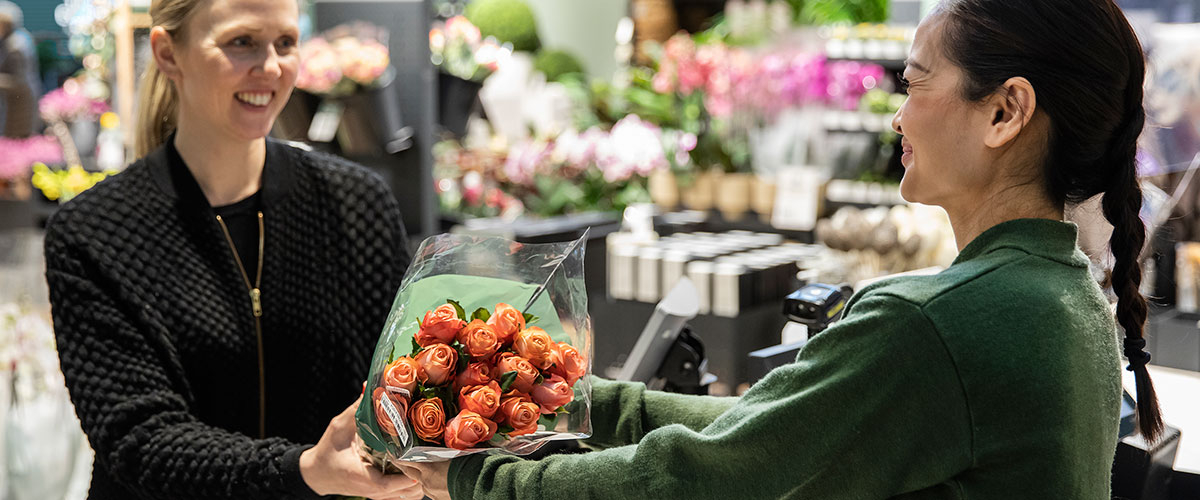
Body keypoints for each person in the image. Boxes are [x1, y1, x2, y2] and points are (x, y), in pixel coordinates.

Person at [403, 0, 1162, 498]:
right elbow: (774, 432)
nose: (897, 117)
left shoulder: (935, 324)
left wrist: (471, 479)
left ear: (1005, 110)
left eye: (914, 83)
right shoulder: (1058, 293)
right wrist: (575, 402)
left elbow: (707, 482)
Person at [43, 0, 423, 498]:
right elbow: (137, 439)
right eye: (241, 42)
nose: (270, 66)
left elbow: (398, 383)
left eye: (285, 42)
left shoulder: (356, 204)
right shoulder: (92, 233)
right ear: (168, 53)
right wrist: (301, 470)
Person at [0, 7, 35, 137]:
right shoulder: (10, 41)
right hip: (13, 101)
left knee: (17, 141)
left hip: (20, 103)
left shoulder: (15, 46)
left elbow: (18, 80)